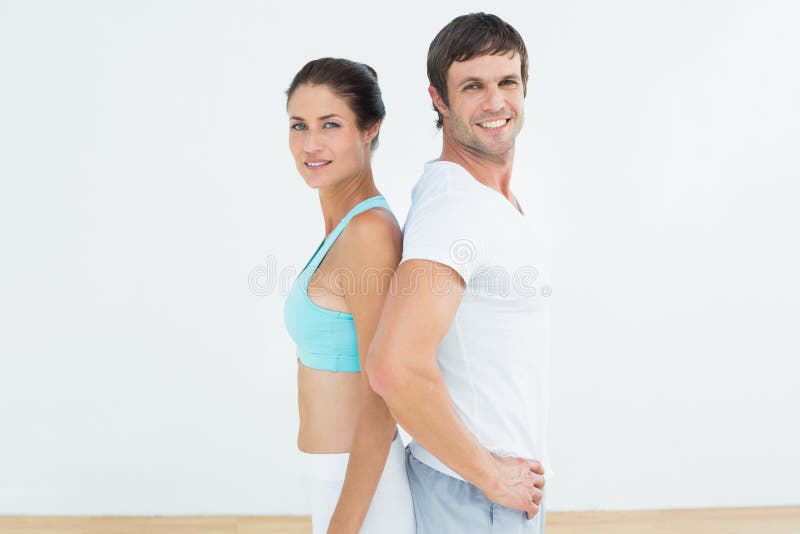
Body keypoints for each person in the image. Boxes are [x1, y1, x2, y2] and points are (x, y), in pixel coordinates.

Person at [367, 13, 551, 533]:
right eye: (472, 86)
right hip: (475, 500)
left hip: (490, 493)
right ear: (438, 100)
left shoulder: (485, 198)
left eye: (506, 82)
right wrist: (491, 476)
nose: (495, 102)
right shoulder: (455, 209)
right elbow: (392, 366)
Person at [283, 58, 415, 534]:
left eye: (330, 125)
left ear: (369, 129)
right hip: (330, 476)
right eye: (299, 125)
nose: (310, 144)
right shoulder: (343, 229)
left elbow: (384, 393)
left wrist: (344, 524)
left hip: (362, 489)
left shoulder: (367, 233)